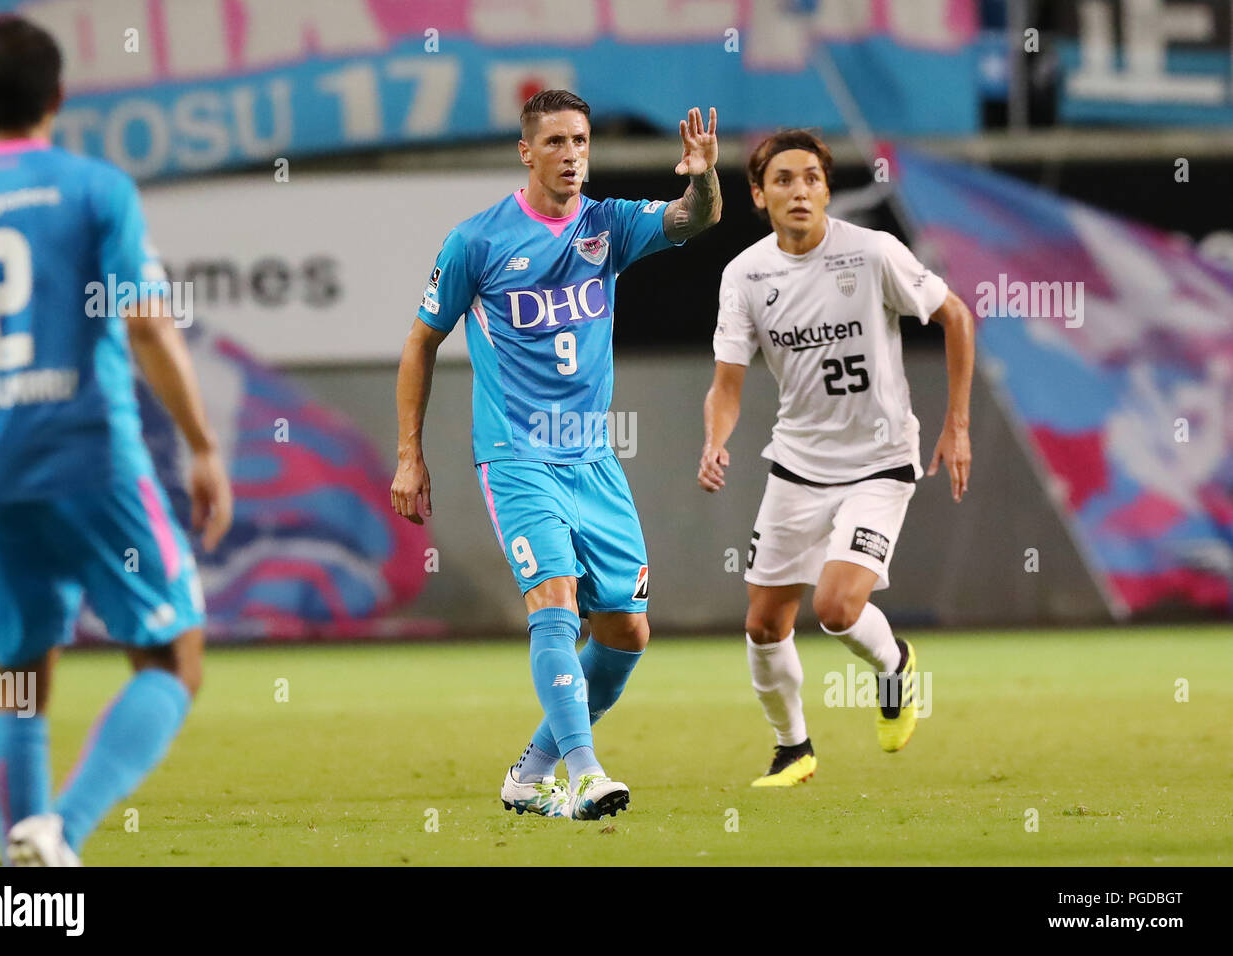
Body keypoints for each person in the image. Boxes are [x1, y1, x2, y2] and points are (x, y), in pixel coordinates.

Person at [0, 16, 232, 863]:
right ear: (59, 96)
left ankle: (25, 894)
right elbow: (147, 324)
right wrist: (203, 445)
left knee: (22, 687)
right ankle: (59, 828)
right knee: (174, 663)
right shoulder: (96, 189)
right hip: (95, 458)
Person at [392, 90, 720, 819]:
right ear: (526, 152)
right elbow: (421, 340)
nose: (572, 154)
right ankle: (583, 771)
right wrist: (409, 455)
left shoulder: (609, 225)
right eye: (556, 143)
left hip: (594, 460)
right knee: (555, 607)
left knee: (626, 632)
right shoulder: (476, 241)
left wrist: (701, 178)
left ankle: (528, 773)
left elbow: (696, 219)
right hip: (515, 454)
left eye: (581, 141)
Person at [698, 129, 974, 786]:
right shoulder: (745, 274)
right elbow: (727, 384)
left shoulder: (872, 252)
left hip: (879, 462)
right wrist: (716, 440)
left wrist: (957, 426)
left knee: (838, 608)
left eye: (812, 178)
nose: (800, 190)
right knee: (764, 623)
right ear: (760, 195)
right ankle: (793, 748)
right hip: (796, 465)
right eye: (784, 180)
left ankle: (894, 665)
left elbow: (956, 317)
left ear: (826, 189)